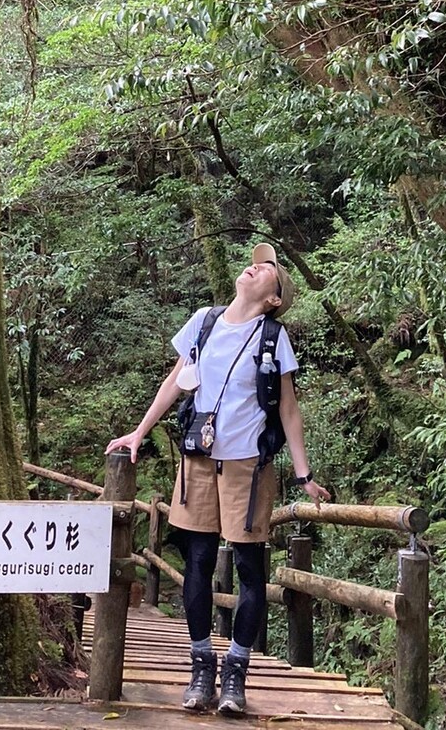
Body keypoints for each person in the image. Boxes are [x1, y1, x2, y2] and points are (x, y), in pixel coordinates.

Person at [106, 243, 330, 716]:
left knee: (250, 569)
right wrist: (139, 432)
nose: (257, 266)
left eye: (269, 268)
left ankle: (236, 673)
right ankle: (201, 664)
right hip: (198, 461)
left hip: (247, 466)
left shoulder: (273, 336)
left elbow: (288, 408)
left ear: (274, 297)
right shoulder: (204, 322)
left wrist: (303, 472)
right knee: (198, 563)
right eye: (257, 262)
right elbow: (175, 381)